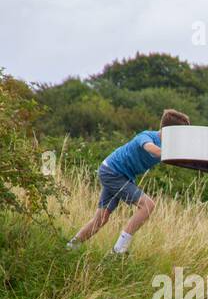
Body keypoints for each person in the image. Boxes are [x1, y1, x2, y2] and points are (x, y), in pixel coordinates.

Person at [68, 108, 190, 255]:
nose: (182, 138)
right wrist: (171, 152)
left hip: (121, 175)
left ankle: (70, 247)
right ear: (170, 131)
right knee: (148, 205)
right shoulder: (146, 137)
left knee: (101, 218)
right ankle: (119, 250)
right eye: (181, 134)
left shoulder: (169, 146)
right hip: (112, 172)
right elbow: (150, 148)